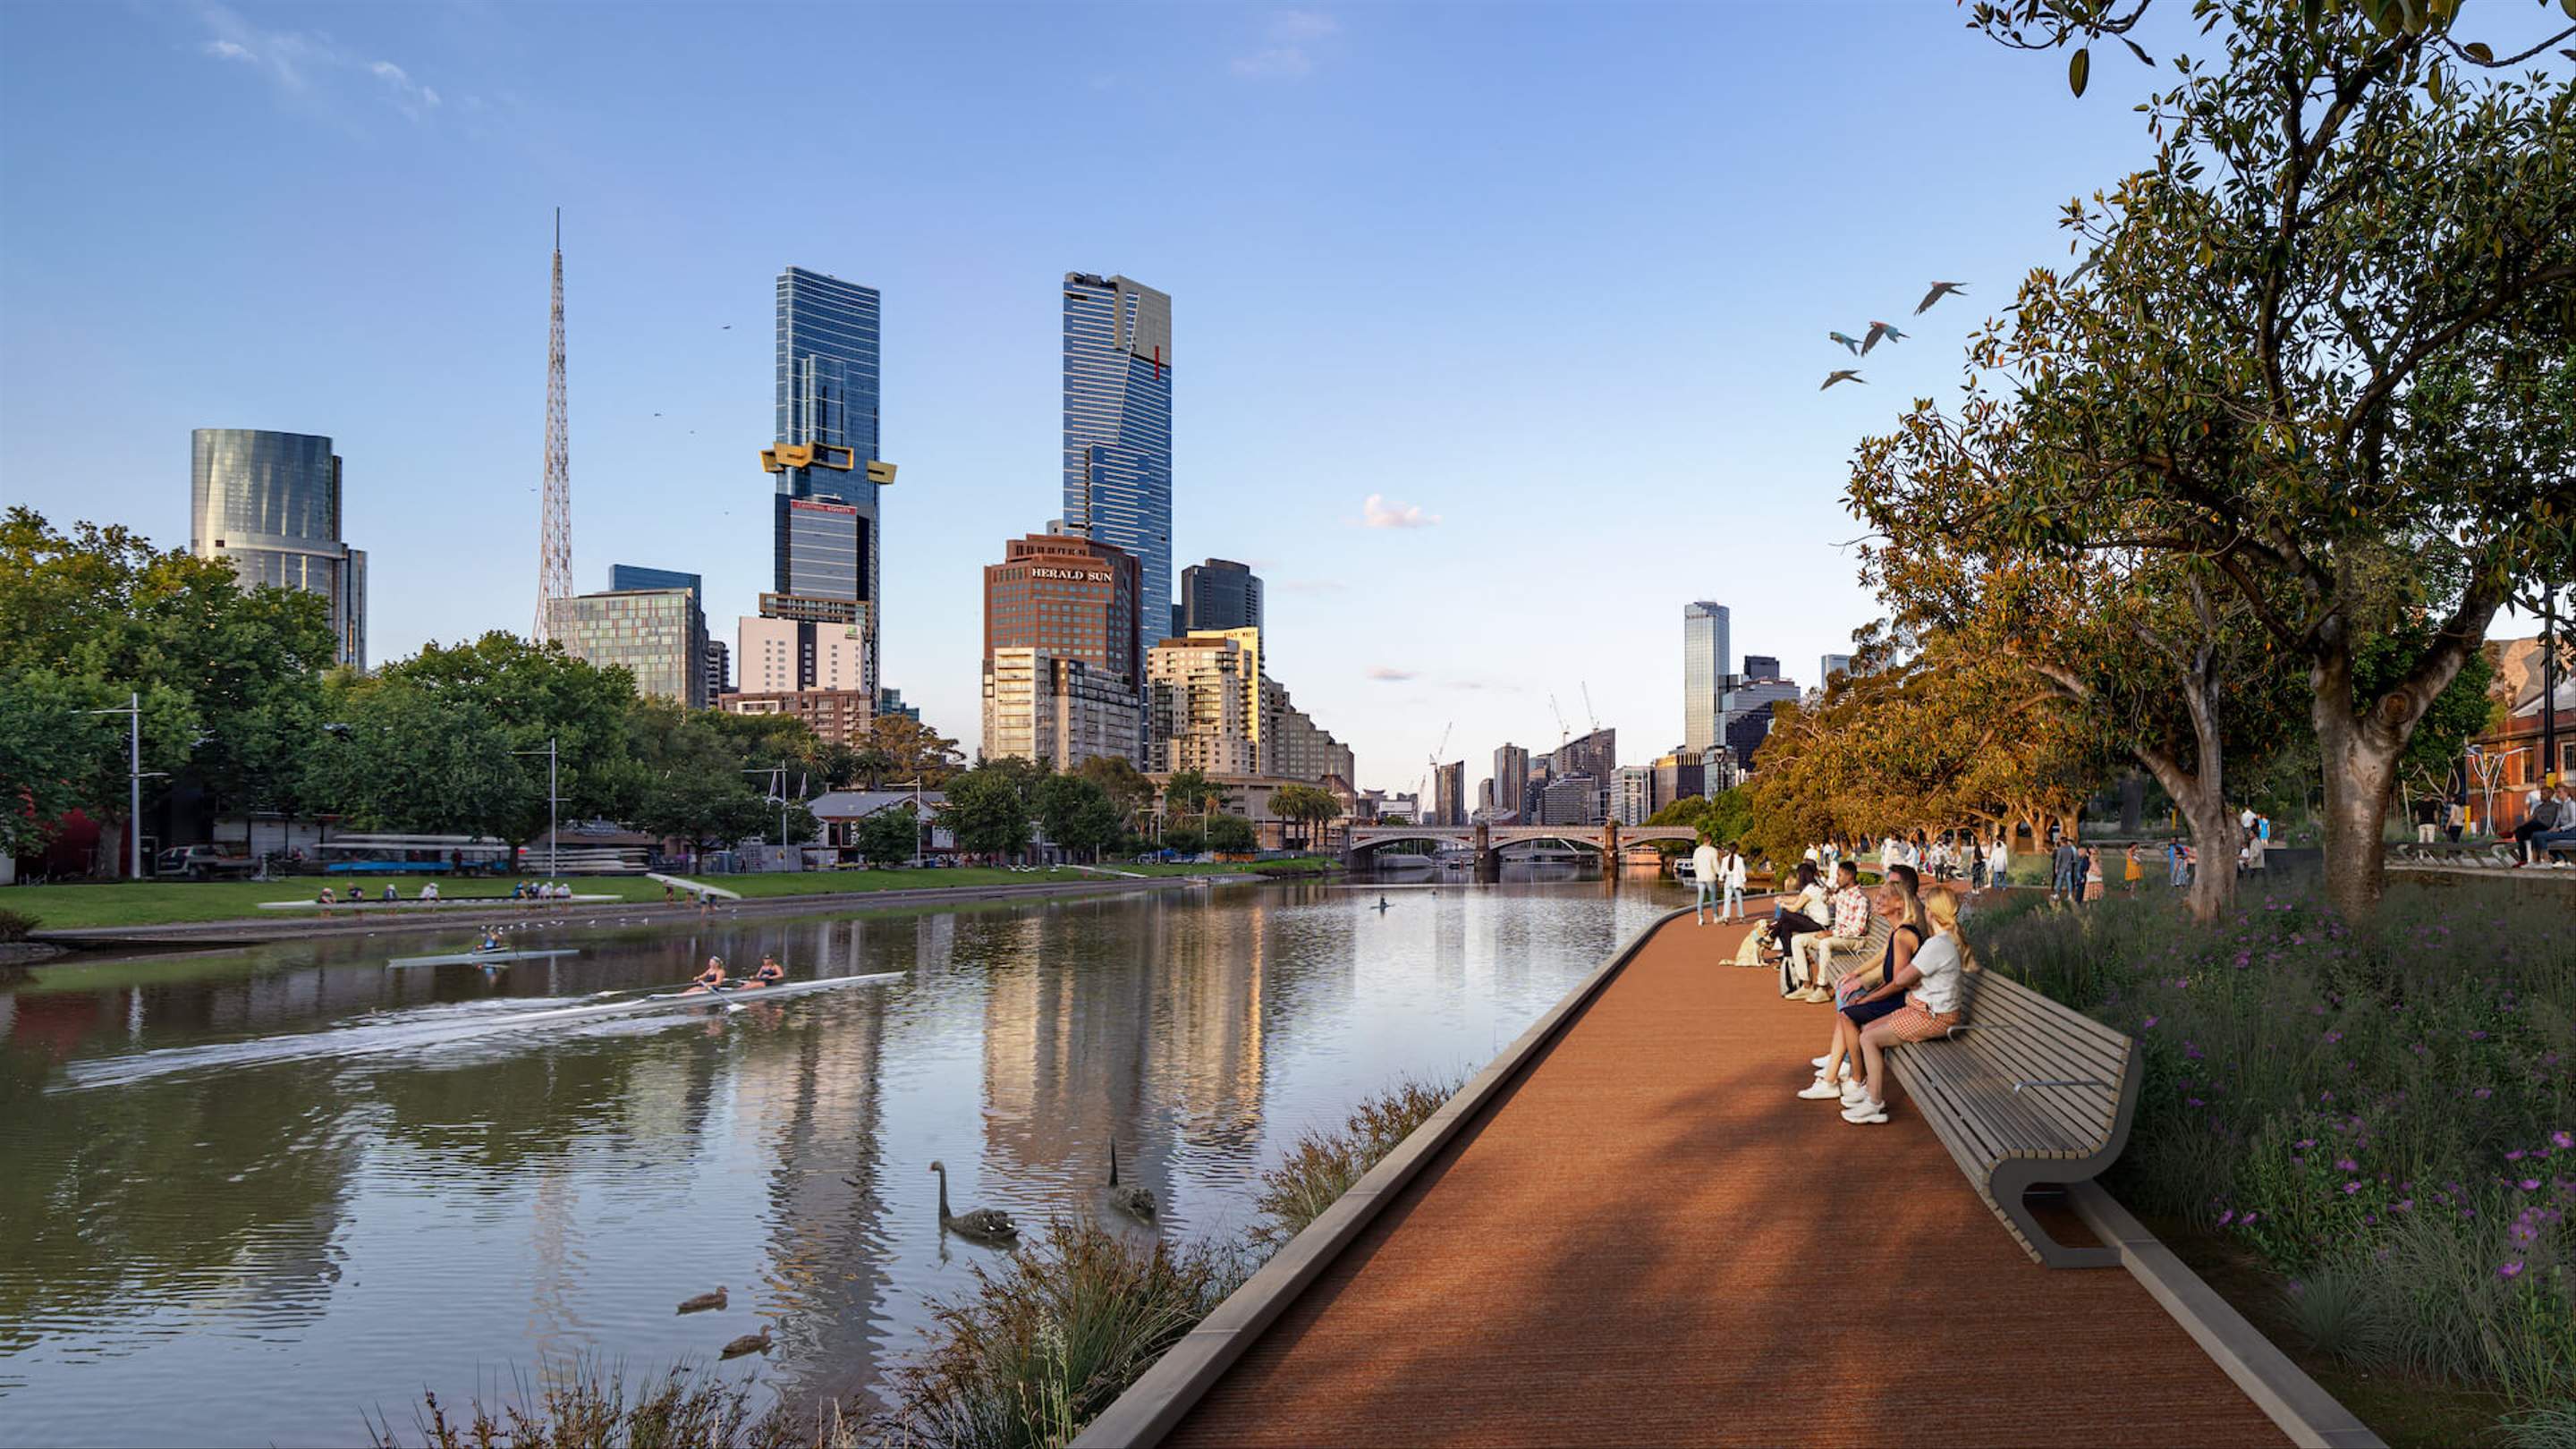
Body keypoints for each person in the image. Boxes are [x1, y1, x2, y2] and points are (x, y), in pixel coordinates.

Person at [1839, 884, 1977, 1124]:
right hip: (1925, 1011)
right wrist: (1913, 978)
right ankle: (1870, 1089)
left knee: (1868, 1039)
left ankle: (1874, 1103)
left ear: (1930, 912)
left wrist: (1912, 979)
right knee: (1868, 1029)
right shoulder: (1942, 942)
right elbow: (1907, 978)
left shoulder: (1937, 945)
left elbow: (1901, 979)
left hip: (1933, 1018)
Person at [1798, 867, 1927, 1104]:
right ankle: (1832, 1079)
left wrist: (1868, 996)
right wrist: (1857, 976)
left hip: (1903, 1001)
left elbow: (1898, 983)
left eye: (1887, 894)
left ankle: (1856, 1078)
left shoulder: (1905, 932)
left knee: (1849, 1013)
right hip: (1896, 995)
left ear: (1902, 900)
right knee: (1847, 1010)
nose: (1879, 899)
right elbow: (1887, 964)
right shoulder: (1897, 930)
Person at [1790, 860, 1873, 1003]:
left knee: (1825, 944)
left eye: (1839, 875)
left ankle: (1822, 987)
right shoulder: (1842, 893)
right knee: (1797, 940)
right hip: (1839, 936)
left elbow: (1857, 930)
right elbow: (1826, 900)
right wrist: (1826, 891)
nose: (1837, 878)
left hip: (1854, 940)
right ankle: (1807, 985)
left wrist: (1831, 933)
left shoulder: (1861, 898)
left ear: (1850, 876)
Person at [1691, 834, 1722, 924]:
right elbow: (1715, 865)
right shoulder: (1713, 851)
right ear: (1710, 840)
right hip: (1710, 876)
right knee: (1713, 897)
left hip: (1700, 877)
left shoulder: (1697, 851)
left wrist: (1697, 873)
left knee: (1700, 897)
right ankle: (1715, 917)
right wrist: (1720, 874)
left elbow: (1695, 864)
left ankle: (1700, 918)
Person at [1722, 842, 1747, 922]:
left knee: (1727, 899)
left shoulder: (1724, 859)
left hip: (1728, 880)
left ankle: (1726, 917)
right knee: (1739, 898)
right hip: (1737, 880)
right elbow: (1742, 871)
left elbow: (1722, 870)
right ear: (1737, 850)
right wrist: (1744, 881)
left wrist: (1720, 879)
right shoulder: (1740, 860)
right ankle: (1741, 916)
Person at [2052, 836, 2079, 902]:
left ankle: (2057, 894)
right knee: (2069, 881)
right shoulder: (2070, 849)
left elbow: (2058, 859)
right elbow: (2073, 858)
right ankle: (2070, 895)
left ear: (2061, 842)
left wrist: (2056, 868)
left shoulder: (2060, 849)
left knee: (2059, 881)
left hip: (2062, 868)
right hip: (2069, 867)